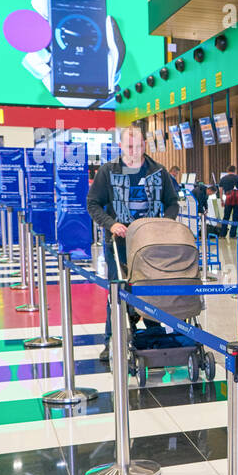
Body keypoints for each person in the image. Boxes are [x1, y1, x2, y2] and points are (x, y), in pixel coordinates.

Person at [86, 123, 180, 361]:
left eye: (139, 146)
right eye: (130, 146)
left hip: (151, 245)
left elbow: (172, 203)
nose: (135, 151)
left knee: (151, 290)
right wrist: (111, 224)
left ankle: (154, 335)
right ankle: (111, 340)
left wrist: (163, 224)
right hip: (119, 245)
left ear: (144, 145)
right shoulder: (108, 171)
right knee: (117, 291)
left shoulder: (158, 172)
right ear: (121, 146)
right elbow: (93, 203)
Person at [219, 165, 238, 238]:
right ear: (235, 170)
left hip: (228, 199)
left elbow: (220, 190)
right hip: (237, 200)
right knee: (235, 217)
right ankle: (232, 234)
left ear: (227, 171)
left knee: (226, 216)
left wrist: (222, 200)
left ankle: (222, 234)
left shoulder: (223, 178)